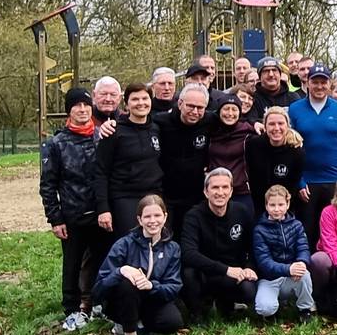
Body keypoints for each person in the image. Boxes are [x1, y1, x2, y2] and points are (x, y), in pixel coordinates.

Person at [40, 87, 113, 331]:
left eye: (86, 106)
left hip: (101, 212)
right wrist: (55, 217)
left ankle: (99, 302)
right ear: (68, 111)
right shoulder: (56, 144)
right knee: (72, 264)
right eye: (77, 106)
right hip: (72, 215)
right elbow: (48, 184)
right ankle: (71, 308)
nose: (82, 110)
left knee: (101, 260)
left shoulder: (101, 136)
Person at [92, 195, 184, 335]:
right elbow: (98, 289)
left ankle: (136, 325)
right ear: (139, 220)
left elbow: (173, 286)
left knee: (173, 321)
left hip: (151, 299)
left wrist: (151, 285)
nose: (153, 221)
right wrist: (121, 271)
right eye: (147, 216)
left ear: (165, 217)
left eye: (157, 216)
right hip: (121, 301)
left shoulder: (172, 248)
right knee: (128, 283)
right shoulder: (124, 244)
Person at [289, 64, 337, 247]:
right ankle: (308, 272)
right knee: (307, 232)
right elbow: (290, 149)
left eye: (323, 82)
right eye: (315, 82)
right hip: (306, 185)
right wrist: (299, 181)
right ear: (307, 83)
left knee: (334, 232)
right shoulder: (294, 109)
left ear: (330, 84)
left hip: (334, 181)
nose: (319, 86)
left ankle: (336, 272)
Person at [179, 169, 259, 322]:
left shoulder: (242, 211)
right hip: (205, 273)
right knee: (188, 274)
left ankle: (226, 305)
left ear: (231, 191)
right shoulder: (193, 216)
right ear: (206, 191)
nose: (220, 192)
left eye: (225, 187)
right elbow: (188, 253)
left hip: (233, 273)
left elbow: (253, 246)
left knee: (248, 290)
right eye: (215, 188)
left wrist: (250, 267)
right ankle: (197, 312)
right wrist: (226, 270)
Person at [93, 82, 162, 240]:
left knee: (155, 244)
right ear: (127, 104)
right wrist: (103, 208)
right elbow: (101, 171)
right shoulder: (113, 131)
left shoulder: (157, 129)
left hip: (154, 196)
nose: (141, 103)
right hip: (124, 199)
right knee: (130, 246)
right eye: (135, 99)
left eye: (145, 98)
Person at [152, 83, 213, 240]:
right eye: (190, 106)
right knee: (166, 240)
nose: (195, 112)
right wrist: (111, 124)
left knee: (192, 240)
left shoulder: (210, 120)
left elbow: (235, 120)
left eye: (200, 108)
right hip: (166, 195)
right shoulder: (160, 122)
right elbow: (134, 123)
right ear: (180, 103)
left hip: (196, 196)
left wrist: (255, 123)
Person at [252, 185, 315, 322]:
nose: (276, 209)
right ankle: (271, 311)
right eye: (272, 205)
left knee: (305, 274)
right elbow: (264, 262)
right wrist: (288, 269)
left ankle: (305, 309)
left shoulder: (296, 225)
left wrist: (301, 263)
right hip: (269, 278)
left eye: (281, 204)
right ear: (266, 206)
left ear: (287, 204)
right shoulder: (259, 230)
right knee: (264, 308)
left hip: (292, 277)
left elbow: (303, 248)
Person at [245, 106, 305, 218]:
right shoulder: (253, 145)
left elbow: (293, 186)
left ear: (287, 126)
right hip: (258, 205)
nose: (276, 128)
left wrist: (281, 209)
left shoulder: (296, 151)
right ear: (265, 126)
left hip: (284, 207)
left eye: (281, 123)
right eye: (272, 124)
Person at [206, 93, 257, 220]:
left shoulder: (248, 131)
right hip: (216, 190)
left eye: (234, 109)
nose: (230, 113)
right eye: (226, 109)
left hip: (241, 190)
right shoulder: (210, 130)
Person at [249, 56, 302, 122]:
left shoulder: (293, 98)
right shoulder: (252, 99)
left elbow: (301, 122)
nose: (271, 74)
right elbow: (251, 121)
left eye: (274, 70)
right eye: (266, 71)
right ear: (260, 77)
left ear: (280, 75)